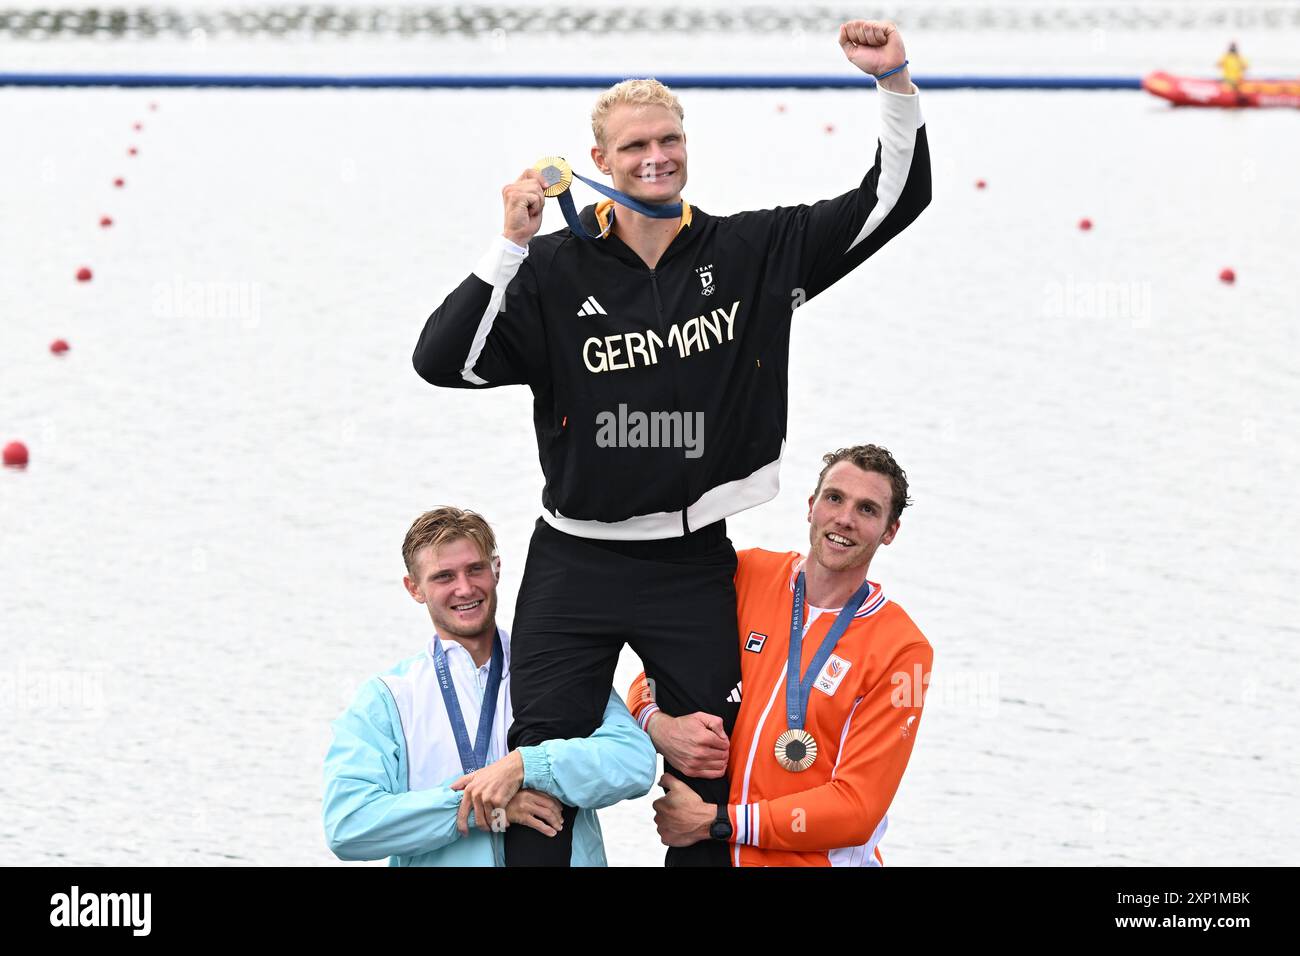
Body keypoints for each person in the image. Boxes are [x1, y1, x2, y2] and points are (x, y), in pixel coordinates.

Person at [412, 19, 931, 866]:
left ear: (686, 146)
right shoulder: (550, 270)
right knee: (538, 788)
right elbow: (443, 362)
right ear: (600, 159)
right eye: (634, 146)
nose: (655, 156)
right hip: (572, 561)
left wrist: (894, 84)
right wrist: (508, 245)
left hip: (690, 564)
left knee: (705, 784)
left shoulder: (753, 250)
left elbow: (891, 201)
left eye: (669, 139)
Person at [627, 445, 934, 866]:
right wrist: (656, 724)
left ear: (889, 531)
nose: (844, 518)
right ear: (811, 506)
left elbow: (858, 808)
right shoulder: (744, 574)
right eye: (834, 498)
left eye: (867, 509)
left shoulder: (905, 650)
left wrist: (718, 822)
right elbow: (652, 675)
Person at [322, 507, 655, 866]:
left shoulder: (560, 665)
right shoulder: (388, 698)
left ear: (496, 568)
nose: (464, 588)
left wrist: (528, 766)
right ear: (414, 588)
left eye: (474, 569)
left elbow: (634, 763)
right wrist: (484, 804)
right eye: (444, 576)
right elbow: (348, 824)